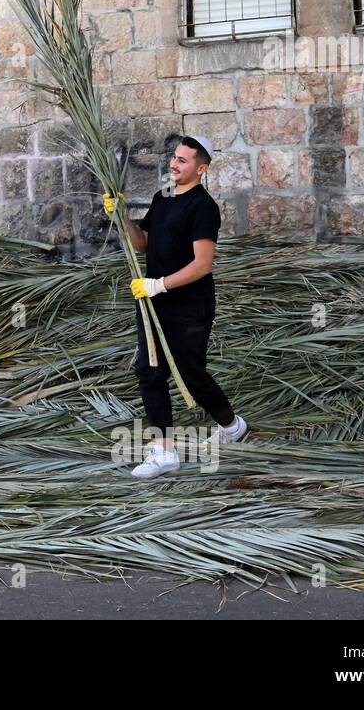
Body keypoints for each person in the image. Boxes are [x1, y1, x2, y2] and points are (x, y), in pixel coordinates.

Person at [106, 136, 247, 479]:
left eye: (183, 161)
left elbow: (202, 265)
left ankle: (231, 425)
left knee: (190, 375)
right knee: (149, 370)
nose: (174, 164)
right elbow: (143, 244)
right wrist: (122, 217)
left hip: (188, 306)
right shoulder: (163, 197)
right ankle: (164, 451)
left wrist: (159, 283)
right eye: (174, 157)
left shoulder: (203, 207)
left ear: (202, 168)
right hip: (154, 304)